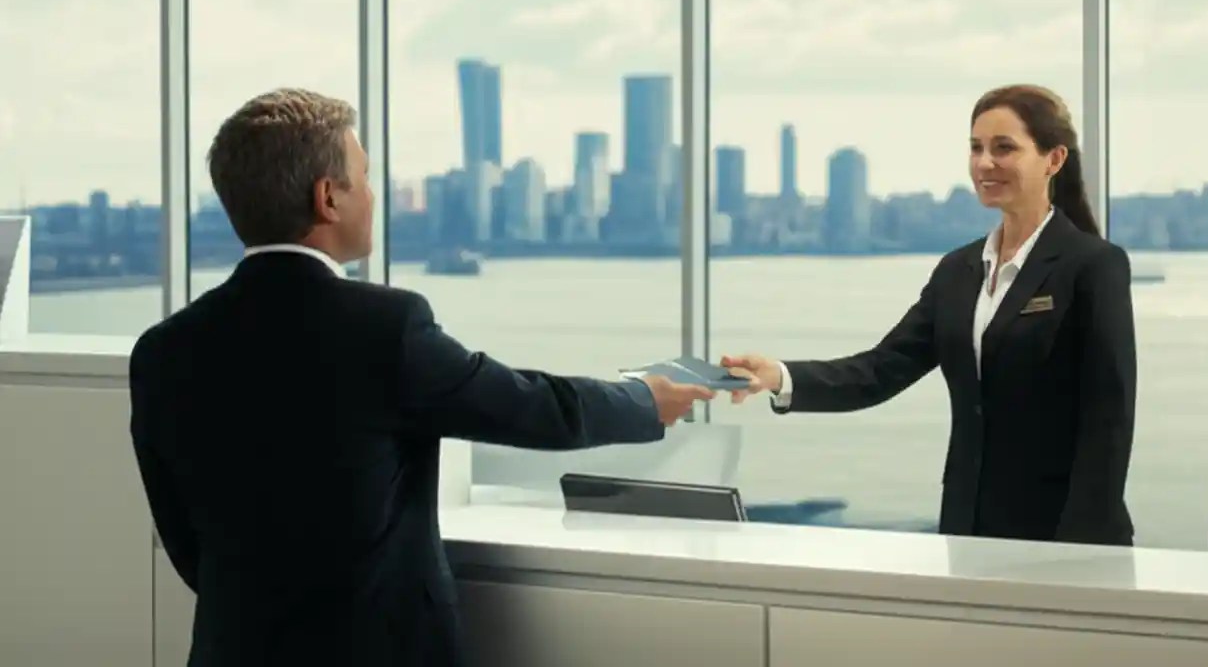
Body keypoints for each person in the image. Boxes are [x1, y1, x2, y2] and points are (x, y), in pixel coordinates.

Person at [128, 87, 714, 667]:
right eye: (364, 176)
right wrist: (646, 400)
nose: (374, 195)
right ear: (328, 198)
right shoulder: (385, 328)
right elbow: (531, 407)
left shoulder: (162, 352)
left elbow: (186, 548)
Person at [722, 84, 1137, 547]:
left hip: (1065, 536)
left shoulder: (1094, 266)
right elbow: (879, 371)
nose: (985, 163)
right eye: (976, 148)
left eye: (1004, 148)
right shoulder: (957, 271)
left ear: (1053, 159)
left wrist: (1080, 551)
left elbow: (1110, 421)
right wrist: (777, 376)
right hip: (967, 530)